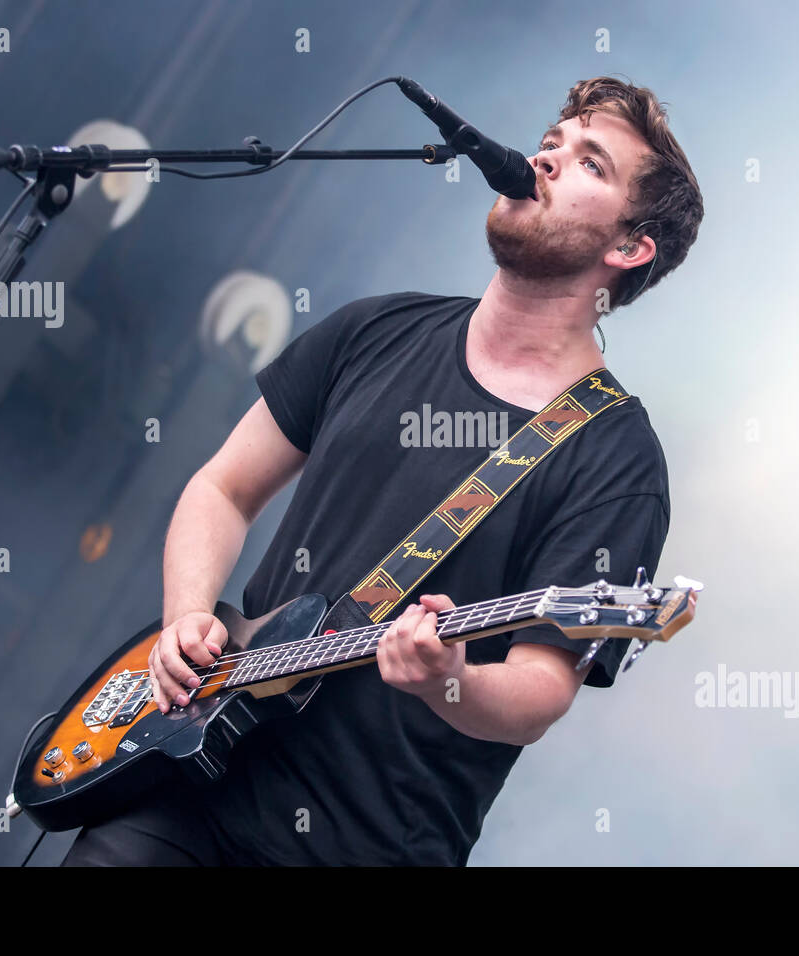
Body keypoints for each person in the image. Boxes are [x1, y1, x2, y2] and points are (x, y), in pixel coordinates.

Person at [61, 75, 703, 866]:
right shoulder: (376, 328)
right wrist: (186, 615)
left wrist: (447, 679)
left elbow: (541, 691)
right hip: (191, 789)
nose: (545, 158)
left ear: (628, 248)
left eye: (590, 163)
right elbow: (222, 488)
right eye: (552, 140)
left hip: (364, 845)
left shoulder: (615, 456)